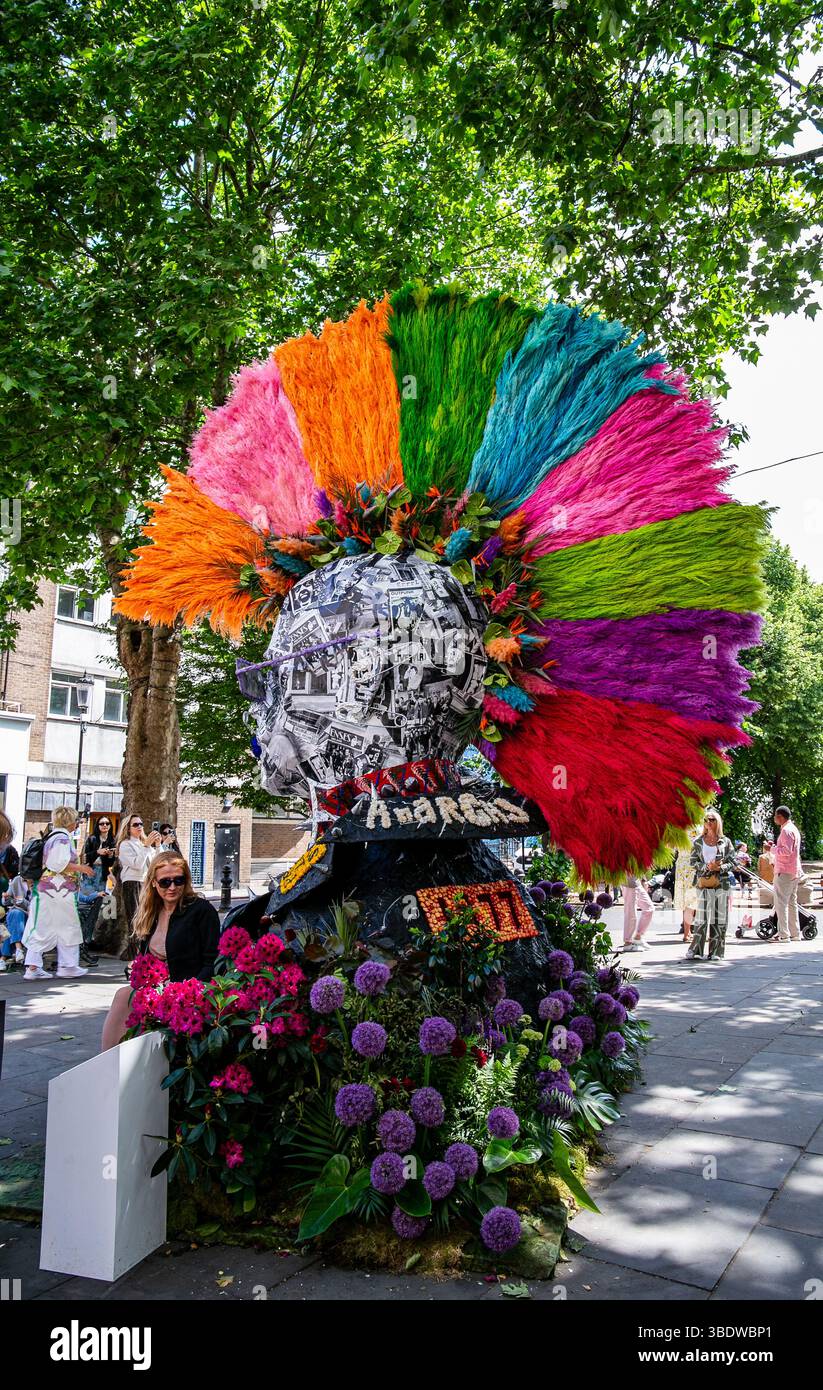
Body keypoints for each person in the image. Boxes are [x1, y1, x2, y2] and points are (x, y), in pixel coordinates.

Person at [101, 851, 220, 1050]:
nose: (172, 887)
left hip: (187, 992)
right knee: (123, 995)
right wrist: (135, 968)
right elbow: (145, 957)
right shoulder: (152, 912)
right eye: (165, 882)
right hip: (156, 990)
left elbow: (212, 962)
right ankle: (108, 1061)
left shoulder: (202, 910)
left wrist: (192, 992)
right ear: (154, 883)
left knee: (125, 997)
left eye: (178, 880)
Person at [22, 806, 95, 980]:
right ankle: (68, 965)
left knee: (42, 925)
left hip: (47, 891)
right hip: (59, 891)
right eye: (76, 819)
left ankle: (33, 966)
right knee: (67, 926)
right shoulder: (62, 838)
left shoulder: (53, 836)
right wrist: (81, 868)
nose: (78, 823)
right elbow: (57, 864)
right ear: (70, 821)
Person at [687, 809, 737, 961]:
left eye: (712, 819)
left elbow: (733, 862)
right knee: (701, 918)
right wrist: (706, 867)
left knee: (719, 918)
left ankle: (716, 952)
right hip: (703, 882)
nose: (709, 822)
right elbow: (692, 862)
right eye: (706, 820)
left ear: (718, 822)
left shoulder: (725, 841)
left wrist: (719, 868)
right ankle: (695, 950)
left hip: (721, 883)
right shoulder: (698, 842)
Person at [116, 813, 161, 938]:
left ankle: (145, 950)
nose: (139, 826)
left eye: (141, 824)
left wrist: (158, 845)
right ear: (128, 828)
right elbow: (137, 864)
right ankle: (134, 951)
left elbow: (158, 862)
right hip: (132, 883)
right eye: (135, 824)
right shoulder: (125, 844)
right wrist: (146, 846)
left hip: (146, 884)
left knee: (148, 917)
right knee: (135, 918)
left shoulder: (143, 844)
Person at [773, 805, 802, 943]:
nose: (774, 818)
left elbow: (786, 851)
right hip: (794, 870)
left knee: (781, 902)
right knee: (791, 902)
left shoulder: (786, 831)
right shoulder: (793, 829)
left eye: (775, 816)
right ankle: (795, 933)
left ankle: (784, 934)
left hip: (784, 871)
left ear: (780, 816)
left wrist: (772, 849)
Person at [622, 874, 654, 952]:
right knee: (631, 914)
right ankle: (628, 943)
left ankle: (638, 937)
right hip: (628, 882)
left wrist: (643, 880)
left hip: (636, 881)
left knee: (649, 908)